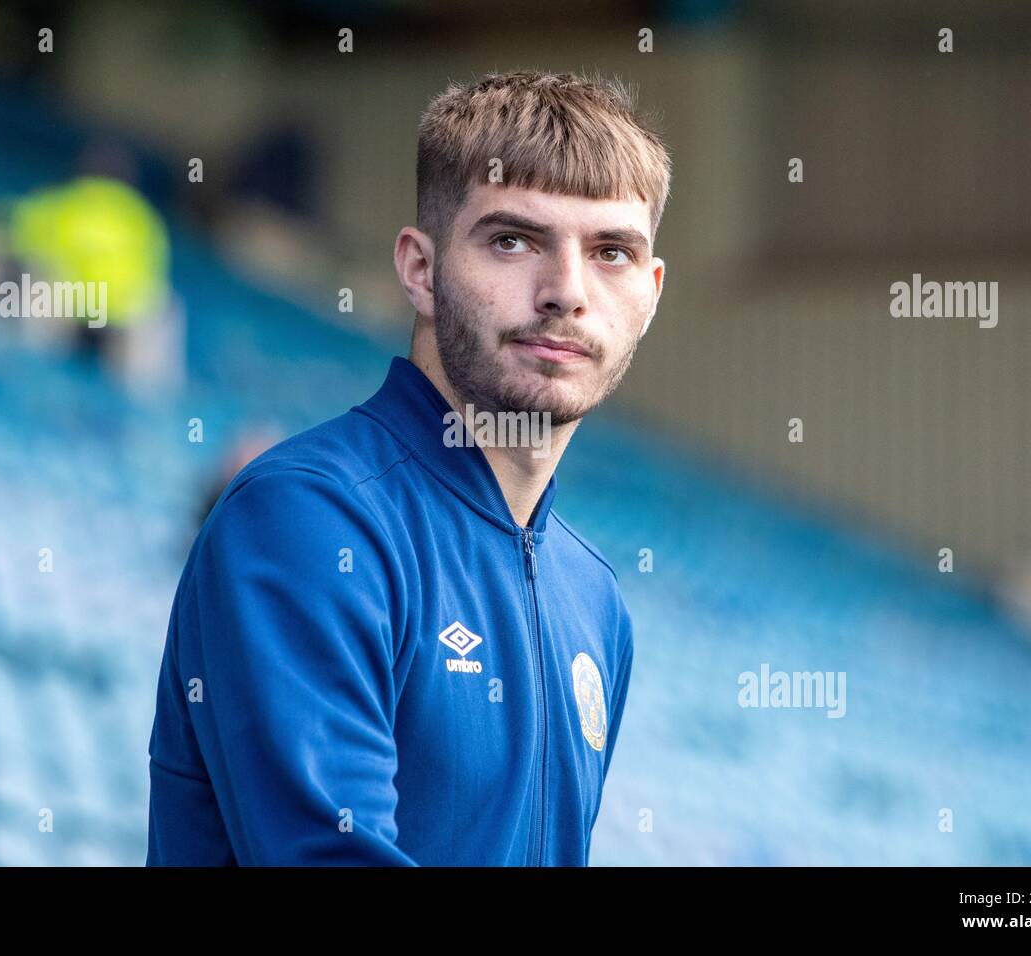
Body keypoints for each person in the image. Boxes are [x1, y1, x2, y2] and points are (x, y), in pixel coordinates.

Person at [146, 69, 670, 865]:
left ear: (651, 294)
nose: (567, 291)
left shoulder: (595, 601)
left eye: (611, 253)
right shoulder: (304, 520)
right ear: (420, 270)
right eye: (512, 240)